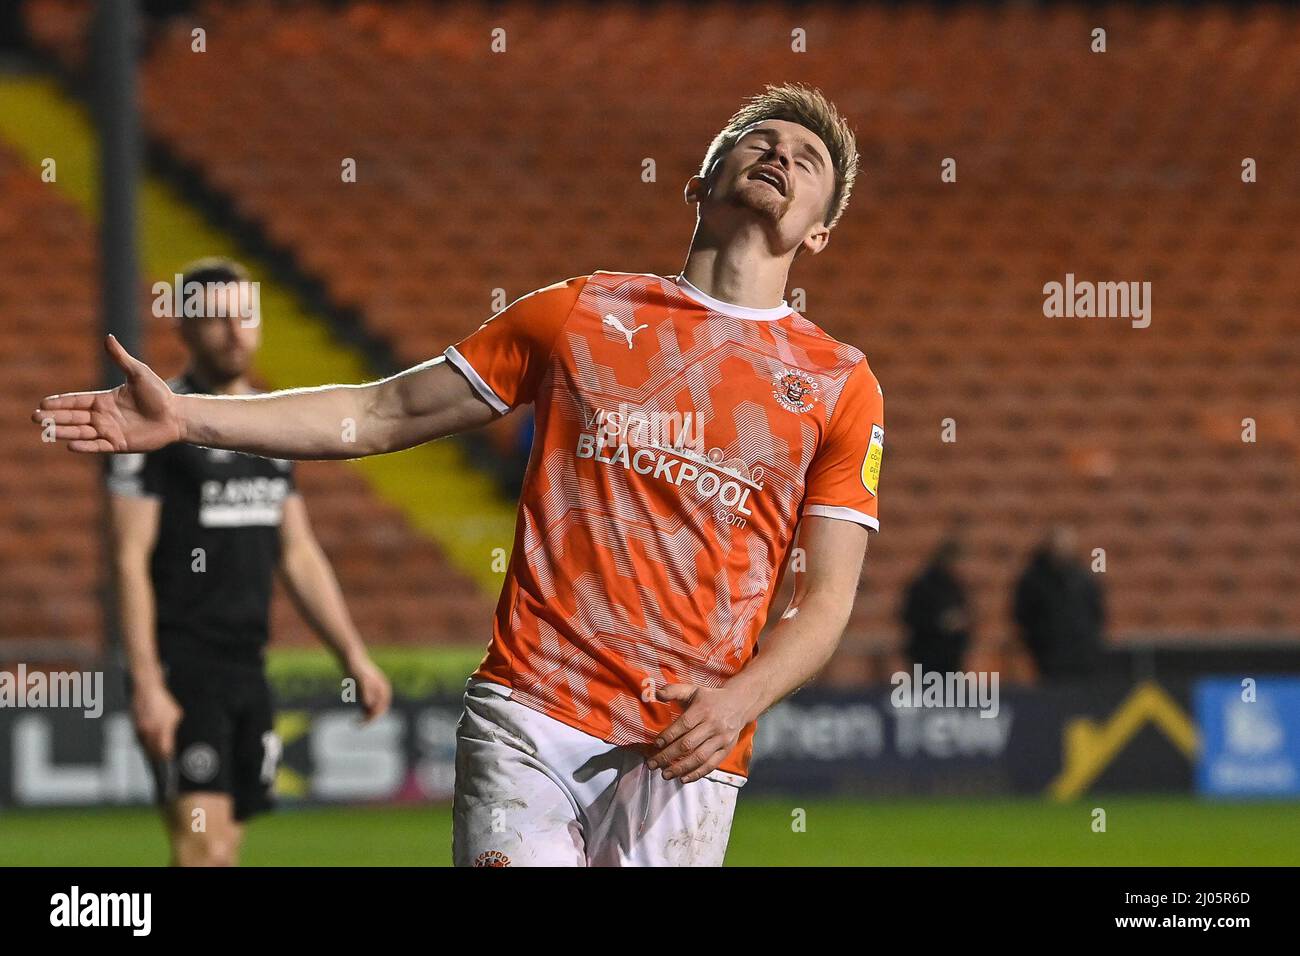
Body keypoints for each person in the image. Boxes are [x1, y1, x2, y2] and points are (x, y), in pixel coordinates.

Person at [34, 84, 883, 867]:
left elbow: (826, 602)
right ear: (698, 182)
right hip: (531, 715)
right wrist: (186, 418)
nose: (779, 156)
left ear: (820, 233)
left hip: (693, 741)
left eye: (806, 161)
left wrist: (741, 702)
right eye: (758, 141)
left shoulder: (843, 384)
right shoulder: (580, 312)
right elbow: (381, 413)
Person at [104, 258, 391, 866]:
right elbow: (128, 559)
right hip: (183, 665)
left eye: (246, 316)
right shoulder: (158, 423)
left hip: (248, 666)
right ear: (183, 328)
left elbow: (298, 551)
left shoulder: (269, 423)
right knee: (202, 846)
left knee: (226, 846)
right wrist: (149, 682)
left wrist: (354, 655)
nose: (237, 331)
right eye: (217, 319)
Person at [1013, 524, 1106, 682]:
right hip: (1049, 657)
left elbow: (1097, 612)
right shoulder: (1034, 579)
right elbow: (1023, 615)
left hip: (1083, 656)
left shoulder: (1084, 578)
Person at [901, 533, 970, 675]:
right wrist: (940, 623)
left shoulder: (955, 586)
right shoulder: (924, 585)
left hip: (952, 654)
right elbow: (910, 615)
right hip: (926, 652)